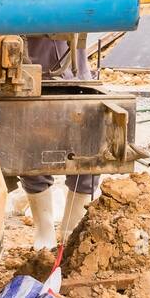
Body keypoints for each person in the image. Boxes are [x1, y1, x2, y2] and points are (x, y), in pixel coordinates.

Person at [21, 32, 98, 251]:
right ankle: (44, 231)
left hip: (74, 73)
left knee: (88, 153)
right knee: (32, 151)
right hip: (30, 71)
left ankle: (70, 231)